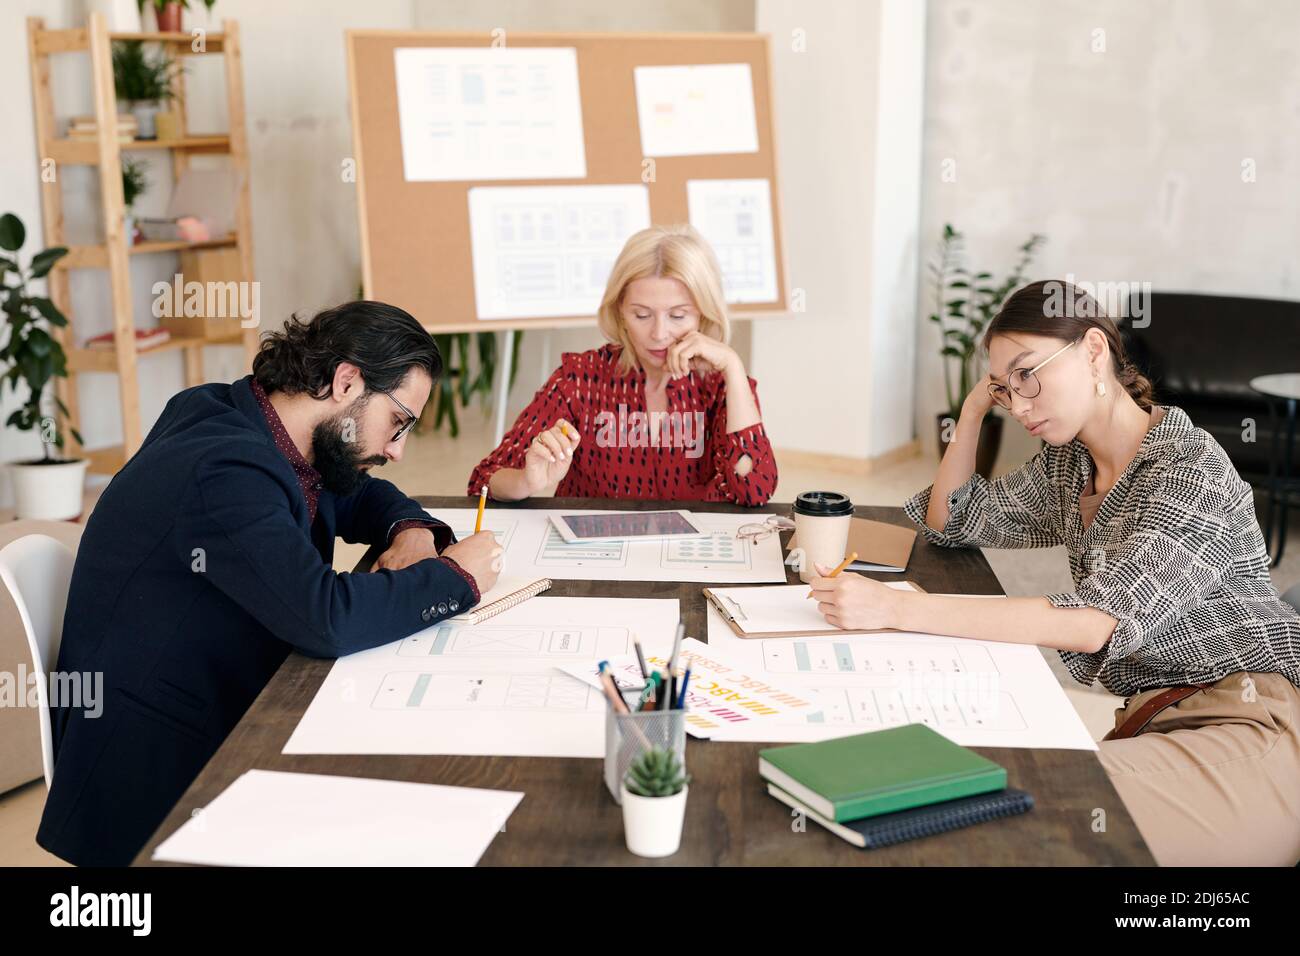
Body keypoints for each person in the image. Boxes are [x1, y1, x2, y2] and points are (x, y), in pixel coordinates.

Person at [809, 280, 1300, 866]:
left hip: (1254, 727)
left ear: (1094, 351)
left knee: (1030, 813)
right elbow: (953, 520)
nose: (1017, 405)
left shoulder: (1189, 469)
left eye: (1027, 375)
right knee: (982, 796)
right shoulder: (1073, 464)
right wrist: (970, 414)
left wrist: (896, 609)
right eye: (1002, 388)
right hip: (1159, 723)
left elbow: (1098, 620)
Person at [37, 301, 502, 866]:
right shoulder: (225, 470)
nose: (396, 449)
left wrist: (411, 529)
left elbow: (357, 491)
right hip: (156, 764)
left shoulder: (255, 417)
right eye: (398, 420)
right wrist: (456, 578)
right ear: (346, 381)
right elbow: (325, 617)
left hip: (207, 696)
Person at [467, 224, 777, 505]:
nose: (658, 334)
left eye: (678, 316)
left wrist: (733, 367)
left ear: (703, 314)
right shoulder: (579, 379)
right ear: (620, 313)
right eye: (641, 315)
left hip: (685, 560)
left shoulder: (721, 385)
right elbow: (484, 479)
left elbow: (752, 489)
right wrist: (526, 481)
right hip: (596, 560)